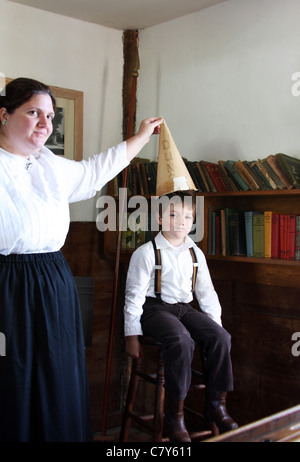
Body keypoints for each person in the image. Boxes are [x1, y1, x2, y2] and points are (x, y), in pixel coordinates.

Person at [0, 76, 163, 442]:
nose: (46, 124)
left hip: (55, 281)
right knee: (14, 374)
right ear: (4, 115)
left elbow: (95, 170)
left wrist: (139, 138)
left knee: (58, 373)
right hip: (7, 287)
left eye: (51, 116)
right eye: (33, 113)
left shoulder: (50, 166)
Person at [124, 190, 238, 442]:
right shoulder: (146, 253)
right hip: (154, 309)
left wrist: (213, 328)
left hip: (185, 309)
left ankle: (217, 405)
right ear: (160, 218)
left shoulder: (195, 253)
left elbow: (206, 293)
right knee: (181, 339)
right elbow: (133, 296)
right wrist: (131, 334)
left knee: (221, 337)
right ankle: (174, 416)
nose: (181, 221)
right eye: (173, 214)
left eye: (188, 217)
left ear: (193, 221)